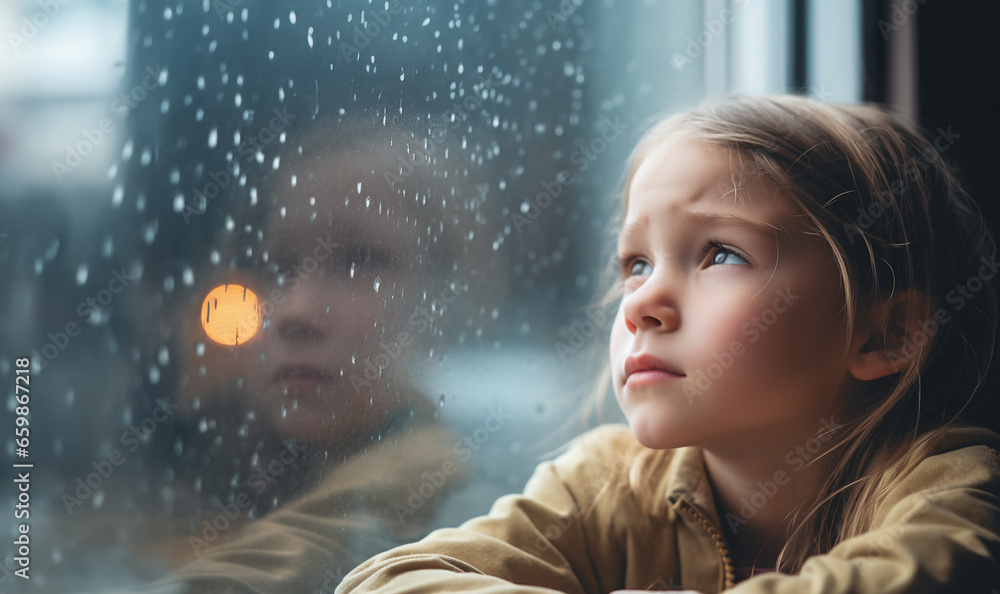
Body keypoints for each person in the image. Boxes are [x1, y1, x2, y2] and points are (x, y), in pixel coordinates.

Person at [336, 94, 1000, 592]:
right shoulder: (609, 482)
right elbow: (389, 580)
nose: (642, 302)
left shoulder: (953, 485)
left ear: (886, 333)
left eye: (720, 254)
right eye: (636, 264)